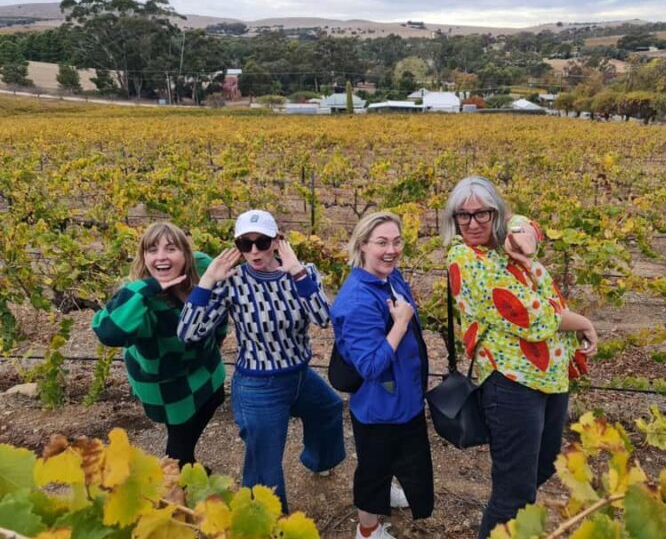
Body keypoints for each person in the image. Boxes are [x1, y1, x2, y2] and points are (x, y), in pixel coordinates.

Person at [441, 176, 599, 539]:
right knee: (514, 492)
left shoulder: (501, 245)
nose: (473, 223)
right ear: (454, 220)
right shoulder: (465, 259)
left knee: (544, 465)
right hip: (510, 385)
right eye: (463, 216)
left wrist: (521, 232)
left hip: (549, 378)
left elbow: (526, 225)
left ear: (496, 213)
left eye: (482, 213)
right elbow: (530, 314)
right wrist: (582, 322)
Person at [177, 209, 345, 513]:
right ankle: (270, 522)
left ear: (277, 241)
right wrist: (207, 282)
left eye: (262, 242)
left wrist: (296, 272)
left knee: (329, 409)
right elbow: (188, 333)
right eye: (245, 244)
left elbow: (323, 318)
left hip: (300, 375)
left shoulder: (303, 272)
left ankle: (319, 461)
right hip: (259, 385)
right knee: (265, 464)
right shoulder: (233, 282)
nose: (254, 251)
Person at [331, 212, 433, 539]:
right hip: (380, 407)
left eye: (396, 241)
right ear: (362, 245)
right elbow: (371, 367)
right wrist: (400, 324)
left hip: (404, 398)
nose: (391, 250)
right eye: (382, 242)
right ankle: (368, 530)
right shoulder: (357, 300)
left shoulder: (390, 277)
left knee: (394, 457)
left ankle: (387, 490)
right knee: (372, 471)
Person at [92, 222, 226, 469]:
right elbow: (109, 332)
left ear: (185, 254)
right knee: (179, 445)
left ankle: (187, 464)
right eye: (152, 250)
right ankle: (178, 481)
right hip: (168, 383)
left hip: (205, 367)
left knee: (214, 398)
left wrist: (218, 338)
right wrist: (149, 287)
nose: (161, 256)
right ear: (144, 257)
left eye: (171, 248)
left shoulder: (202, 269)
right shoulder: (140, 300)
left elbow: (220, 305)